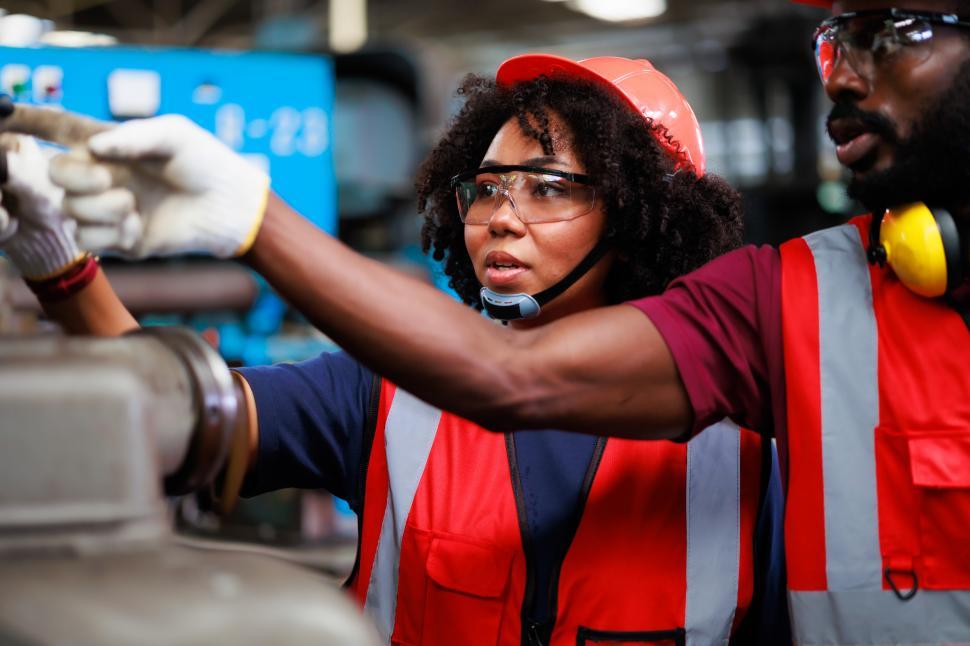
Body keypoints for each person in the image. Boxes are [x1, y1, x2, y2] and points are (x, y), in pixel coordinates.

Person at [0, 56, 789, 645]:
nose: (501, 218)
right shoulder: (390, 390)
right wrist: (59, 265)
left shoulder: (756, 438)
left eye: (546, 188)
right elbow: (166, 417)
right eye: (485, 188)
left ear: (641, 215)